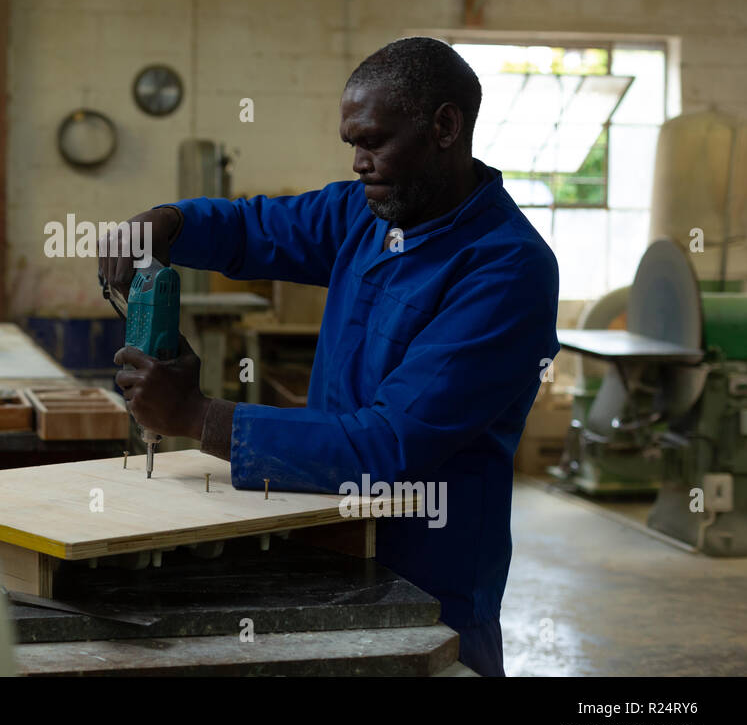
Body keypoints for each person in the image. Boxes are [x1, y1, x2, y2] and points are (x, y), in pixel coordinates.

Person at [101, 37, 560, 677]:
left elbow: (387, 444)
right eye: (351, 145)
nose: (359, 163)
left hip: (429, 583)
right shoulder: (365, 216)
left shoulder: (506, 270)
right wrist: (169, 222)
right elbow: (255, 228)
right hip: (328, 542)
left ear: (446, 127)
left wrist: (200, 418)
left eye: (373, 141)